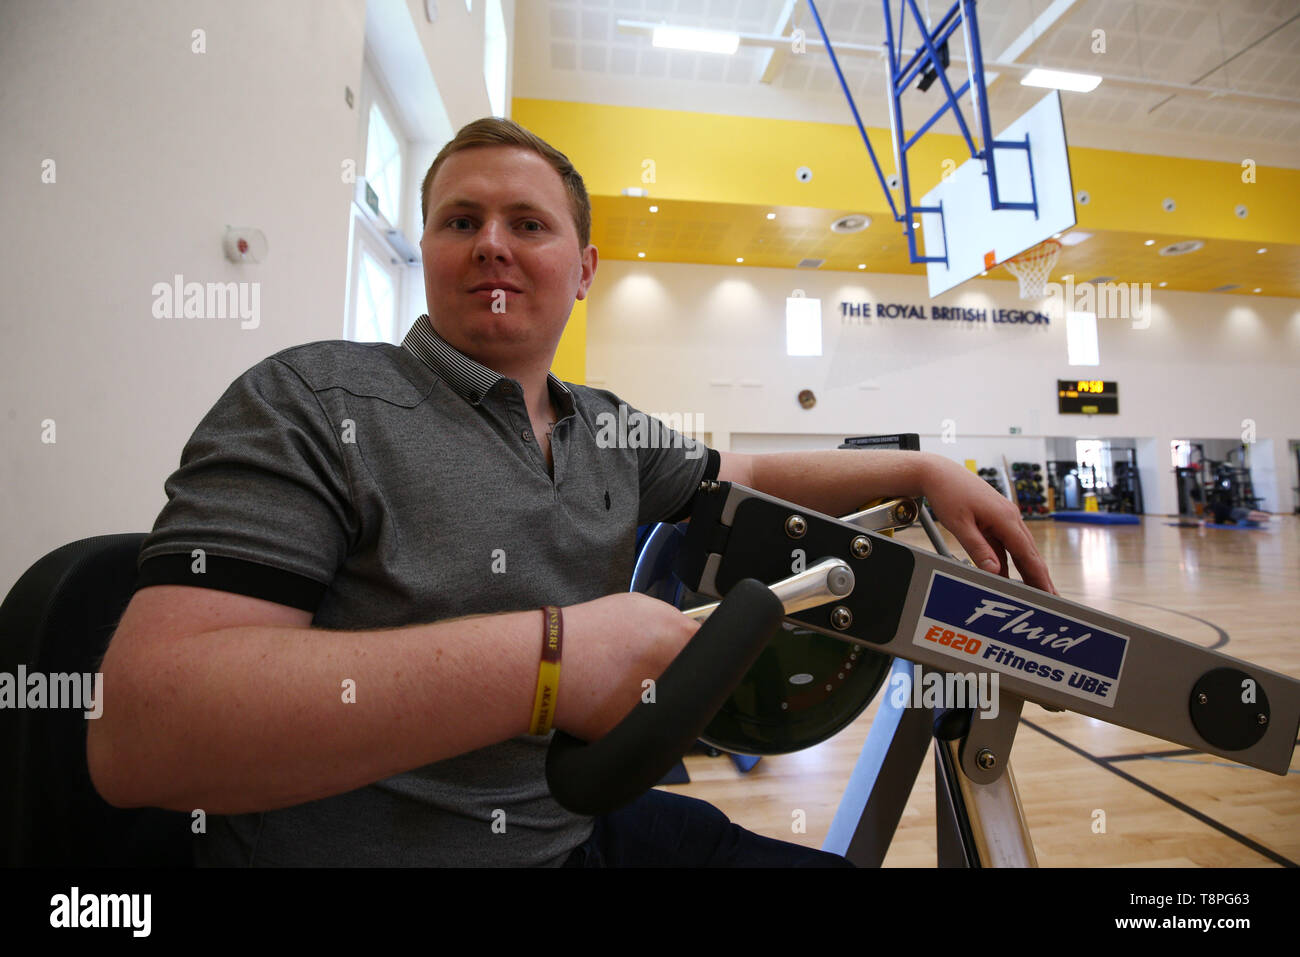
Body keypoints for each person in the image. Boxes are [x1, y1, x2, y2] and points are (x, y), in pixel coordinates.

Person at [87, 118, 1056, 867]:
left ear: (582, 269)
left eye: (528, 225)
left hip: (571, 828)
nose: (492, 245)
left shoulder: (607, 426)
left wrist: (922, 467)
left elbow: (745, 476)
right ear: (425, 251)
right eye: (460, 221)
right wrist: (548, 662)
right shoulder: (308, 399)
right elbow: (144, 735)